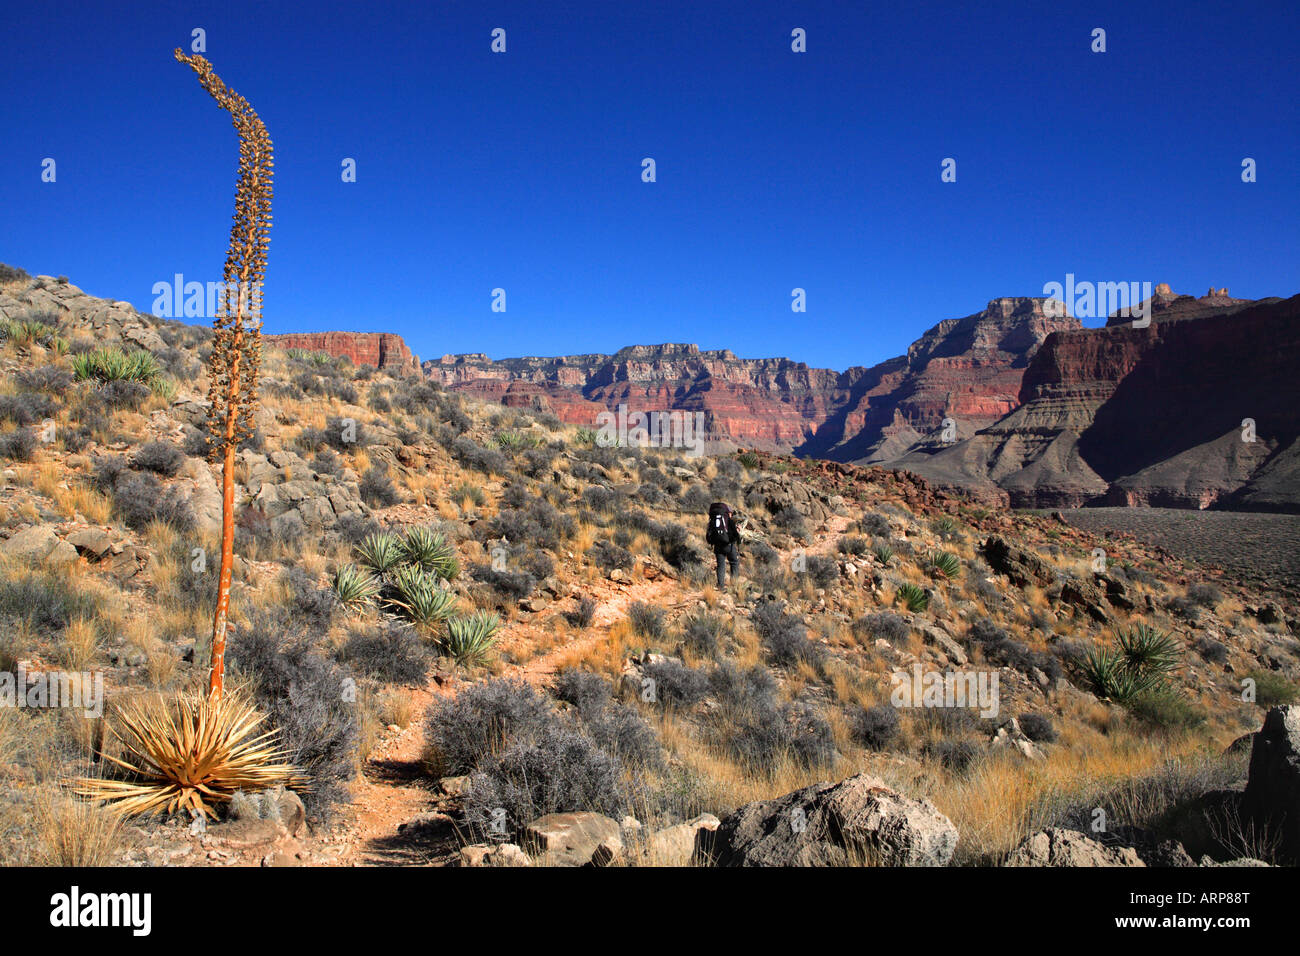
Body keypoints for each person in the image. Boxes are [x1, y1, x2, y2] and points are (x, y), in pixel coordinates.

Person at [706, 501, 741, 589]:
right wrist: (738, 535)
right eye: (730, 513)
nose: (731, 514)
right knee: (734, 562)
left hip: (717, 545)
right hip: (728, 545)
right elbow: (735, 535)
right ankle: (734, 585)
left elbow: (709, 534)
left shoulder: (713, 520)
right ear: (727, 513)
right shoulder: (729, 521)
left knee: (720, 565)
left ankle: (720, 586)